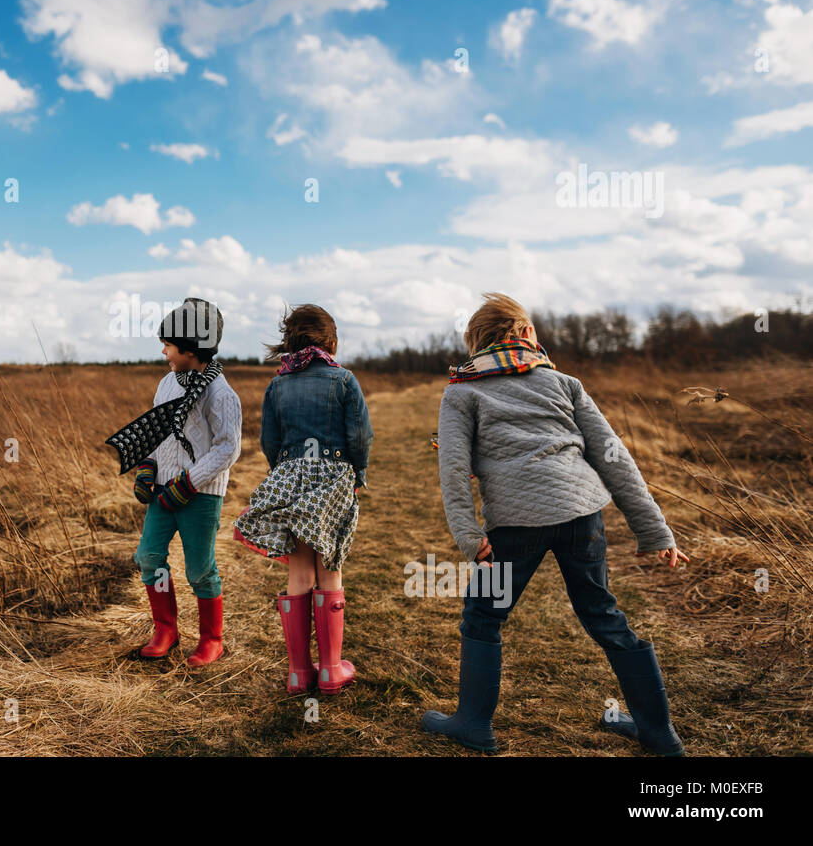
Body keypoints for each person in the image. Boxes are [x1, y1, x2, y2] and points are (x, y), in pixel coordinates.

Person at [423, 292, 690, 754]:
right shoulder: (565, 383)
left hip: (514, 523)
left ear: (476, 344)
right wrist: (654, 531)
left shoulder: (461, 391)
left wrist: (469, 535)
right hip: (581, 514)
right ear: (525, 334)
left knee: (484, 616)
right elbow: (615, 459)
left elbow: (452, 468)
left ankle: (473, 723)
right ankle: (659, 732)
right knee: (602, 613)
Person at [233, 304, 372, 694]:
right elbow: (361, 436)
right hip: (333, 479)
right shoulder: (344, 380)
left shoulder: (278, 384)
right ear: (331, 341)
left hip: (291, 476)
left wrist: (284, 472)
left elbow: (269, 441)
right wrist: (357, 474)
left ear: (289, 342)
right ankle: (330, 669)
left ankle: (298, 673)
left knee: (299, 573)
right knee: (330, 565)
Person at [105, 298, 242, 667]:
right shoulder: (167, 384)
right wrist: (148, 468)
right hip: (162, 493)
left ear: (190, 347)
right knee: (149, 557)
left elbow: (227, 449)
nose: (163, 350)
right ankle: (166, 629)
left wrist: (189, 482)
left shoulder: (221, 394)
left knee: (200, 569)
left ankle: (212, 639)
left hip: (199, 496)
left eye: (168, 343)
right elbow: (156, 434)